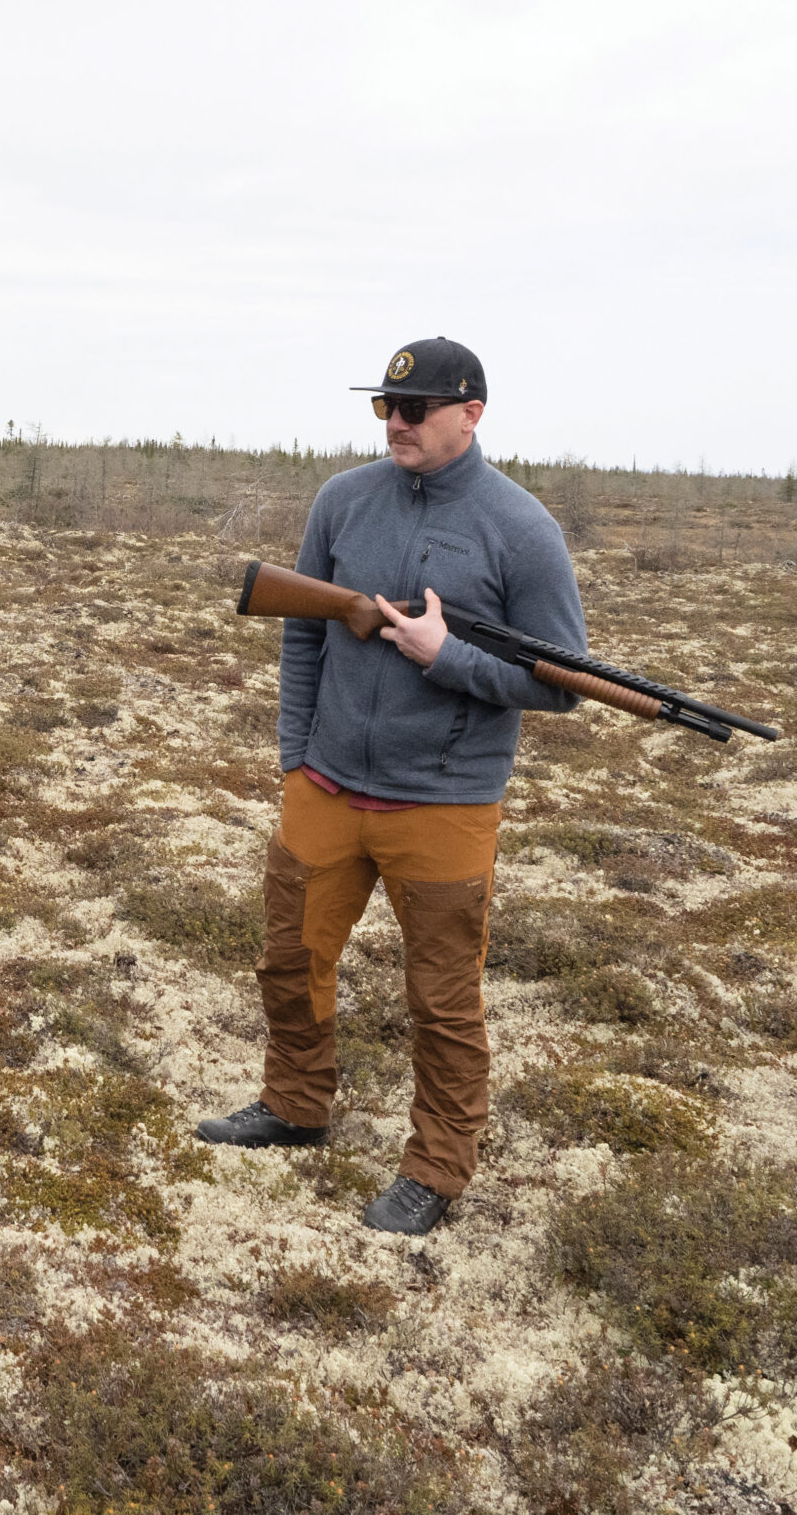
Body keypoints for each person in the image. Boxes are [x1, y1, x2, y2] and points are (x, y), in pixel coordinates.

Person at [194, 338, 586, 1236]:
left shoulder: (522, 530)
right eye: (385, 408)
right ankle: (295, 1106)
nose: (396, 424)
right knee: (289, 960)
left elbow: (561, 685)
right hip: (325, 787)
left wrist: (446, 657)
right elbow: (304, 630)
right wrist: (296, 753)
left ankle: (436, 1170)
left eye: (415, 410)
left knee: (442, 1000)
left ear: (471, 414)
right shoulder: (342, 501)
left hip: (445, 803)